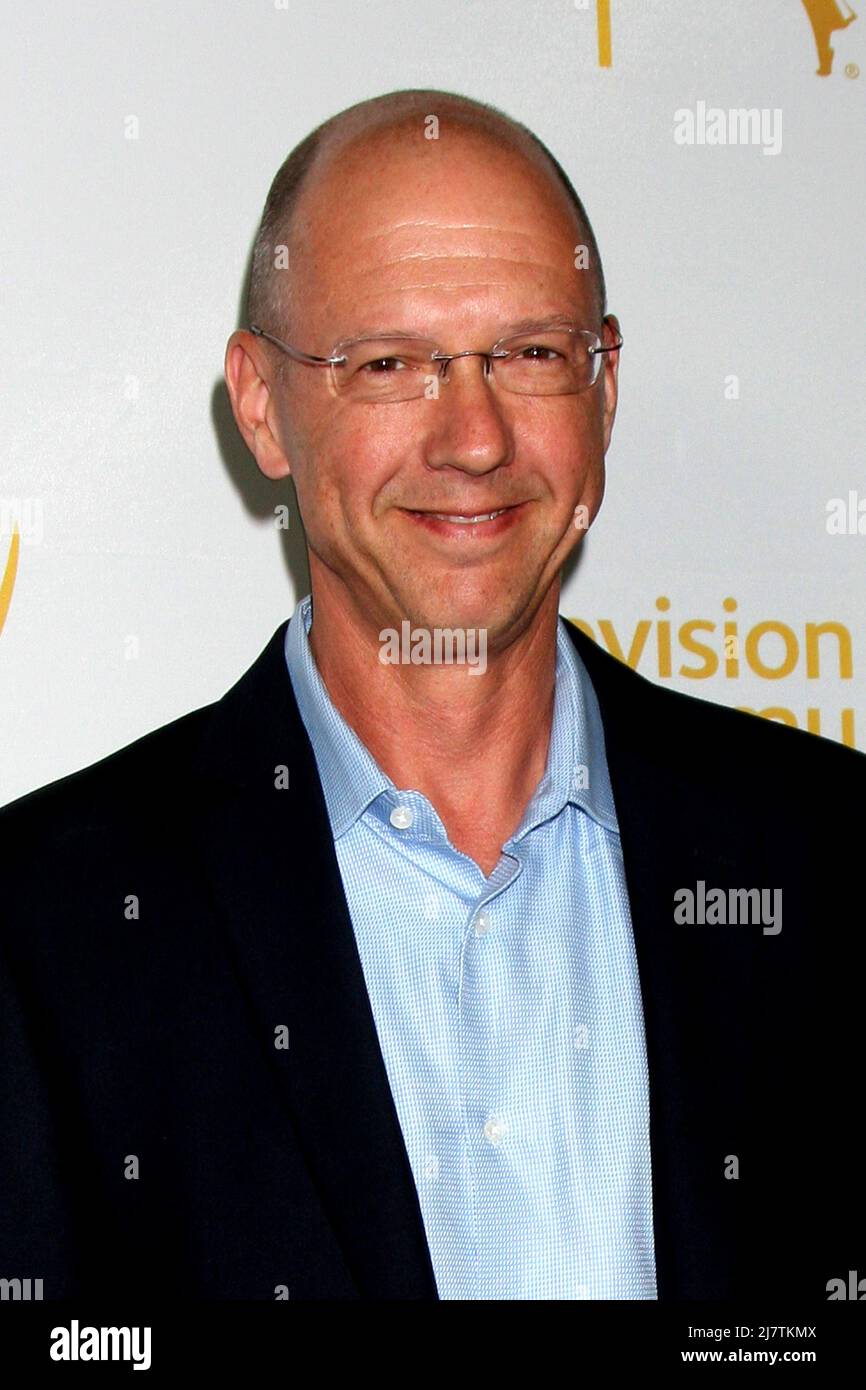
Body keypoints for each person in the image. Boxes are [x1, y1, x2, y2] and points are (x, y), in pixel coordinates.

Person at [0, 88, 862, 1302]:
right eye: (388, 363)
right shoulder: (48, 927)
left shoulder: (830, 855)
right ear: (262, 407)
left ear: (603, 386)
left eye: (528, 354)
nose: (471, 436)